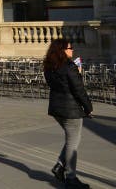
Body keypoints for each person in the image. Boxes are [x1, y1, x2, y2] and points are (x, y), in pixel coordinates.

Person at [43, 38, 93, 188]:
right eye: (70, 48)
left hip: (56, 108)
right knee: (73, 142)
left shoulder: (49, 66)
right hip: (70, 110)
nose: (72, 50)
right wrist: (88, 107)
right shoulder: (70, 67)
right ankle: (71, 178)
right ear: (62, 50)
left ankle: (59, 166)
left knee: (71, 139)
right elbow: (78, 89)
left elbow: (56, 84)